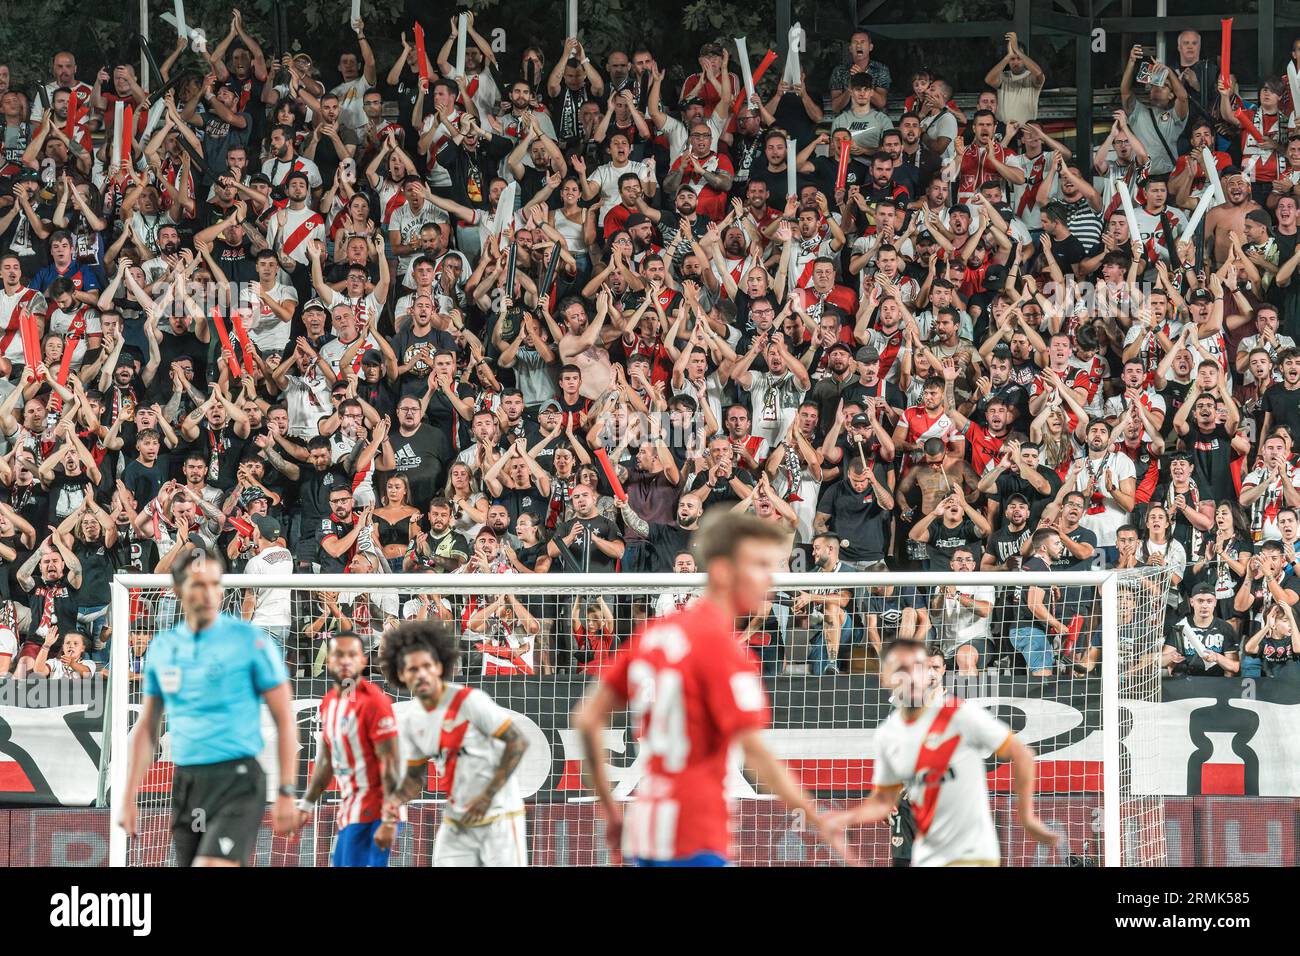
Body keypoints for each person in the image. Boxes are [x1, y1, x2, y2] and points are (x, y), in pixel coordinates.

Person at [572, 509, 846, 866]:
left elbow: (587, 719)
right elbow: (756, 753)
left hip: (646, 828)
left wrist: (609, 811)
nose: (770, 578)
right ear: (722, 570)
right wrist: (814, 814)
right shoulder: (726, 650)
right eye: (760, 565)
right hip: (695, 834)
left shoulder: (653, 637)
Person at [118, 547, 297, 867]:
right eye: (199, 584)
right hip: (189, 783)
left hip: (238, 780)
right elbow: (148, 727)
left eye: (215, 584)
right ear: (178, 589)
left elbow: (285, 718)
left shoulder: (250, 641)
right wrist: (130, 794)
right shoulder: (164, 648)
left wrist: (286, 790)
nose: (210, 593)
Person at [827, 638, 1059, 866]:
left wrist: (1027, 818)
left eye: (934, 668)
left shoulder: (960, 712)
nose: (929, 674)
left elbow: (1022, 754)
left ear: (944, 671)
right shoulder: (893, 726)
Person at [380, 619, 532, 866]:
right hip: (457, 821)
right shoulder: (412, 721)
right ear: (400, 674)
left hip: (500, 815)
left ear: (439, 666)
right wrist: (394, 801)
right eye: (412, 669)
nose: (421, 675)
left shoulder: (470, 701)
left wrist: (486, 797)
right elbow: (415, 779)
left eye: (426, 666)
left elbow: (517, 742)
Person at [294, 630, 401, 867]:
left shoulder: (375, 702)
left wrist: (388, 819)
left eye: (352, 654)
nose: (345, 661)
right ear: (328, 660)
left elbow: (391, 763)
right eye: (338, 654)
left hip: (375, 812)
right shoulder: (328, 702)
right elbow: (326, 760)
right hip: (350, 809)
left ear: (363, 660)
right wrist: (306, 804)